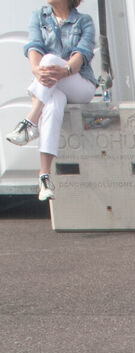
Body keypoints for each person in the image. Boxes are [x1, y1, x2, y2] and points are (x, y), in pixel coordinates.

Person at [6, 1, 97, 203]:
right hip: (52, 86)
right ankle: (45, 177)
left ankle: (30, 121)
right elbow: (33, 46)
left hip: (80, 84)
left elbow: (82, 54)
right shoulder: (39, 16)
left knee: (48, 60)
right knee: (54, 103)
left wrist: (63, 70)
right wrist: (35, 70)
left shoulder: (84, 21)